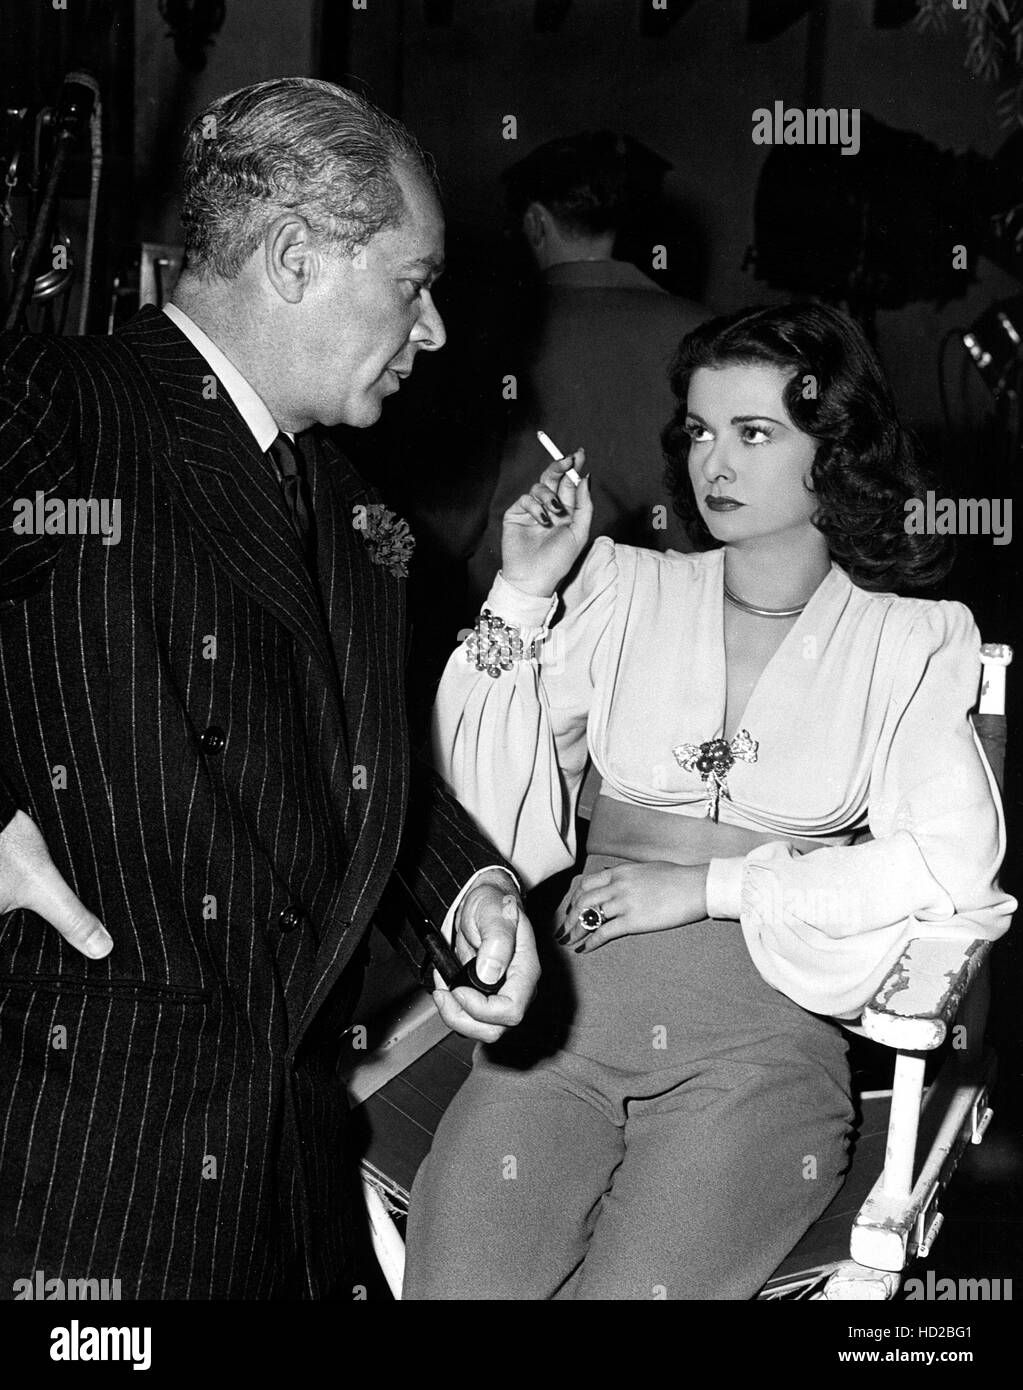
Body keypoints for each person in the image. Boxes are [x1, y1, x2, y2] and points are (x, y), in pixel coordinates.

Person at [0, 77, 539, 1301]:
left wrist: (472, 891)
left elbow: (336, 772)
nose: (438, 328)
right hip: (77, 1171)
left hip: (282, 1181)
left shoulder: (352, 513)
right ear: (294, 257)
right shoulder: (59, 407)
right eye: (414, 282)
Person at [404, 302, 1014, 1300]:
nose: (712, 463)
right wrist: (521, 592)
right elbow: (472, 784)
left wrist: (713, 888)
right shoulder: (621, 588)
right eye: (698, 430)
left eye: (753, 432)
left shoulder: (903, 637)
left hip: (758, 1057)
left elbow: (952, 859)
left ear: (836, 448)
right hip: (558, 1022)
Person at [466, 131, 709, 611]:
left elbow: (454, 511)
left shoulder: (496, 335)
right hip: (677, 607)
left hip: (524, 608)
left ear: (535, 223)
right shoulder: (709, 333)